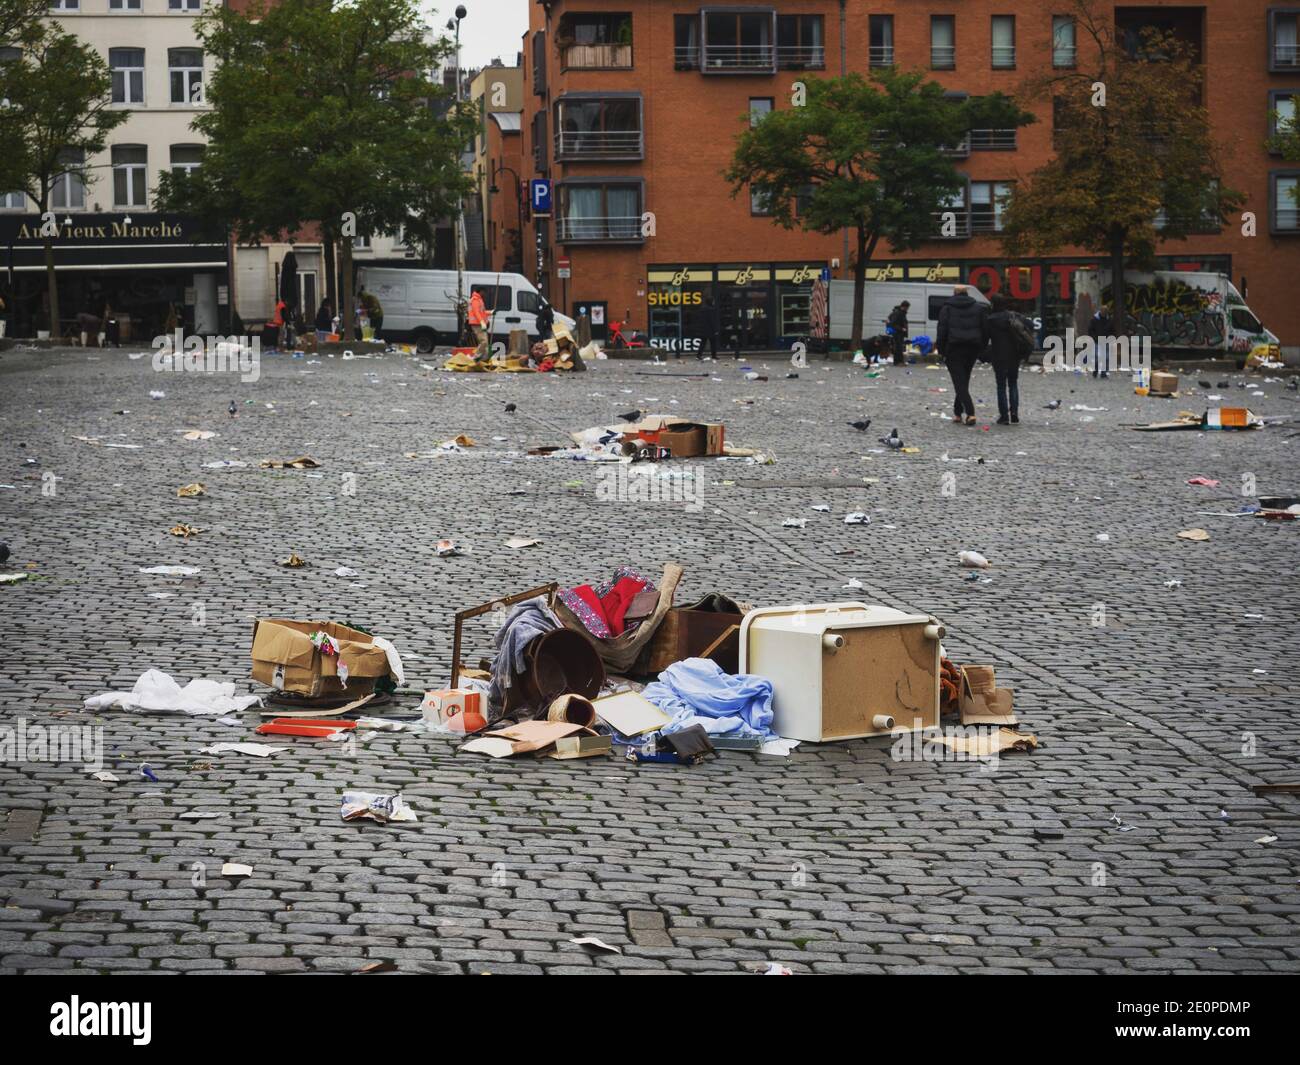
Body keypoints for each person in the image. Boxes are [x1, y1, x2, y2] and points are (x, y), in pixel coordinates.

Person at [937, 284, 989, 426]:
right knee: (963, 381)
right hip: (972, 348)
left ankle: (970, 413)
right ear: (967, 294)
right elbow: (985, 330)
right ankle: (957, 412)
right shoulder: (979, 308)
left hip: (954, 348)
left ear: (954, 293)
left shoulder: (947, 309)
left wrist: (941, 350)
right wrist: (982, 347)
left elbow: (942, 330)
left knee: (959, 382)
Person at [985, 294, 1021, 425]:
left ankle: (1004, 416)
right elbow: (1028, 325)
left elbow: (985, 338)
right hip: (1014, 355)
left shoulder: (990, 320)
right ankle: (1014, 413)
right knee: (1013, 383)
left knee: (1001, 385)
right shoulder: (1013, 316)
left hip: (998, 355)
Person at [1087, 303, 1113, 378]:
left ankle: (1103, 372)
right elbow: (1090, 330)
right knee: (1097, 357)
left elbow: (1112, 330)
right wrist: (1094, 338)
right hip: (1097, 341)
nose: (1104, 313)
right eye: (1103, 311)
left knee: (1106, 357)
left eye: (1106, 311)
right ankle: (1096, 370)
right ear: (1100, 311)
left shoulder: (1109, 320)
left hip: (1105, 341)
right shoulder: (1094, 320)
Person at [467, 289, 490, 355]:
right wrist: (482, 322)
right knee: (484, 342)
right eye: (484, 292)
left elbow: (482, 312)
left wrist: (490, 312)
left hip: (480, 323)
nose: (485, 294)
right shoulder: (475, 300)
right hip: (477, 324)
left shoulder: (479, 299)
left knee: (485, 342)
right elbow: (476, 312)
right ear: (481, 291)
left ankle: (485, 357)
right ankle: (476, 355)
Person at [887, 300, 910, 365]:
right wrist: (901, 329)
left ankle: (900, 361)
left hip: (900, 333)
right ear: (904, 306)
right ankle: (898, 362)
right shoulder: (898, 313)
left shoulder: (902, 312)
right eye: (907, 307)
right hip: (897, 333)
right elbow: (893, 324)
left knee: (899, 347)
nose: (907, 309)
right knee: (898, 347)